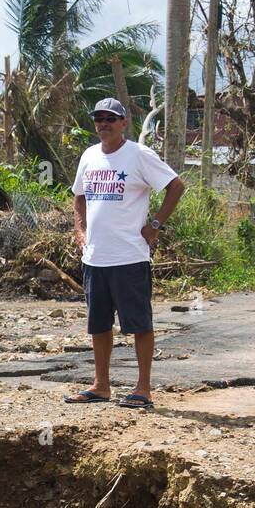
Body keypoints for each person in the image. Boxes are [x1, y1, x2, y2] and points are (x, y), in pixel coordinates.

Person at [64, 98, 186, 409]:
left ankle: (143, 388)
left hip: (129, 256)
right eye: (99, 118)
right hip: (95, 258)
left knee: (139, 324)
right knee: (99, 324)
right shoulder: (89, 156)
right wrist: (80, 230)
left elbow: (176, 186)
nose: (103, 123)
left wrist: (155, 224)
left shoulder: (138, 155)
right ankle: (100, 385)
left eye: (110, 118)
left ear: (123, 123)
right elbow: (79, 197)